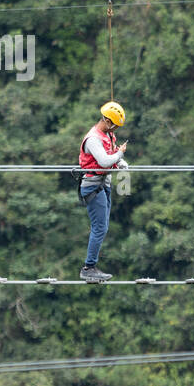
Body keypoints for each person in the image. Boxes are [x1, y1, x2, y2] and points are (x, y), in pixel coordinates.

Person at [78, 101, 129, 282]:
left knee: (103, 227)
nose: (115, 129)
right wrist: (120, 154)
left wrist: (120, 162)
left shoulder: (107, 135)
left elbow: (111, 158)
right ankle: (88, 268)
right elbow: (104, 161)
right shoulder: (93, 139)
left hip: (103, 184)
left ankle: (90, 266)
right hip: (93, 186)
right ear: (106, 121)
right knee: (99, 227)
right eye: (114, 125)